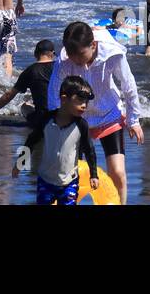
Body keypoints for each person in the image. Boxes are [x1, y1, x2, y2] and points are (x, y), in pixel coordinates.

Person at [46, 20, 143, 204]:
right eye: (72, 55)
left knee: (117, 172)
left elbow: (128, 85)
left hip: (109, 114)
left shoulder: (113, 53)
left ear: (93, 45)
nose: (76, 60)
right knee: (69, 173)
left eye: (80, 54)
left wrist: (133, 120)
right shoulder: (65, 59)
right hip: (76, 119)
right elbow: (54, 93)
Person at [23, 76, 98, 205]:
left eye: (86, 101)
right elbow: (31, 140)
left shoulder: (81, 125)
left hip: (69, 182)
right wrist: (20, 162)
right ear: (64, 99)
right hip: (45, 181)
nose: (84, 105)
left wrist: (94, 175)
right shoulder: (47, 119)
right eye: (80, 100)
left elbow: (89, 150)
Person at [0, 39, 56, 130]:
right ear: (52, 54)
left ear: (35, 54)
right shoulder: (60, 68)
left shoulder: (30, 71)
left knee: (25, 106)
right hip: (61, 118)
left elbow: (9, 95)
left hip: (41, 120)